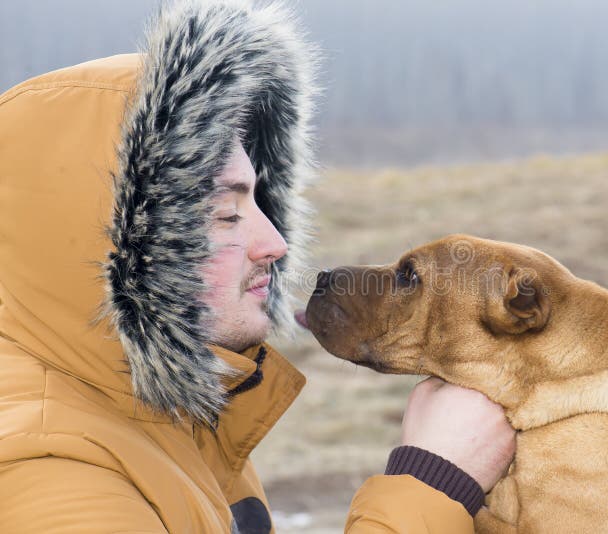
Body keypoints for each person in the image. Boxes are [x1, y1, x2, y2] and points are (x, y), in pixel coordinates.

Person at [0, 1, 516, 532]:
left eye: (261, 204)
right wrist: (432, 485)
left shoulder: (176, 419)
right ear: (124, 258)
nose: (273, 243)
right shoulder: (49, 476)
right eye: (226, 214)